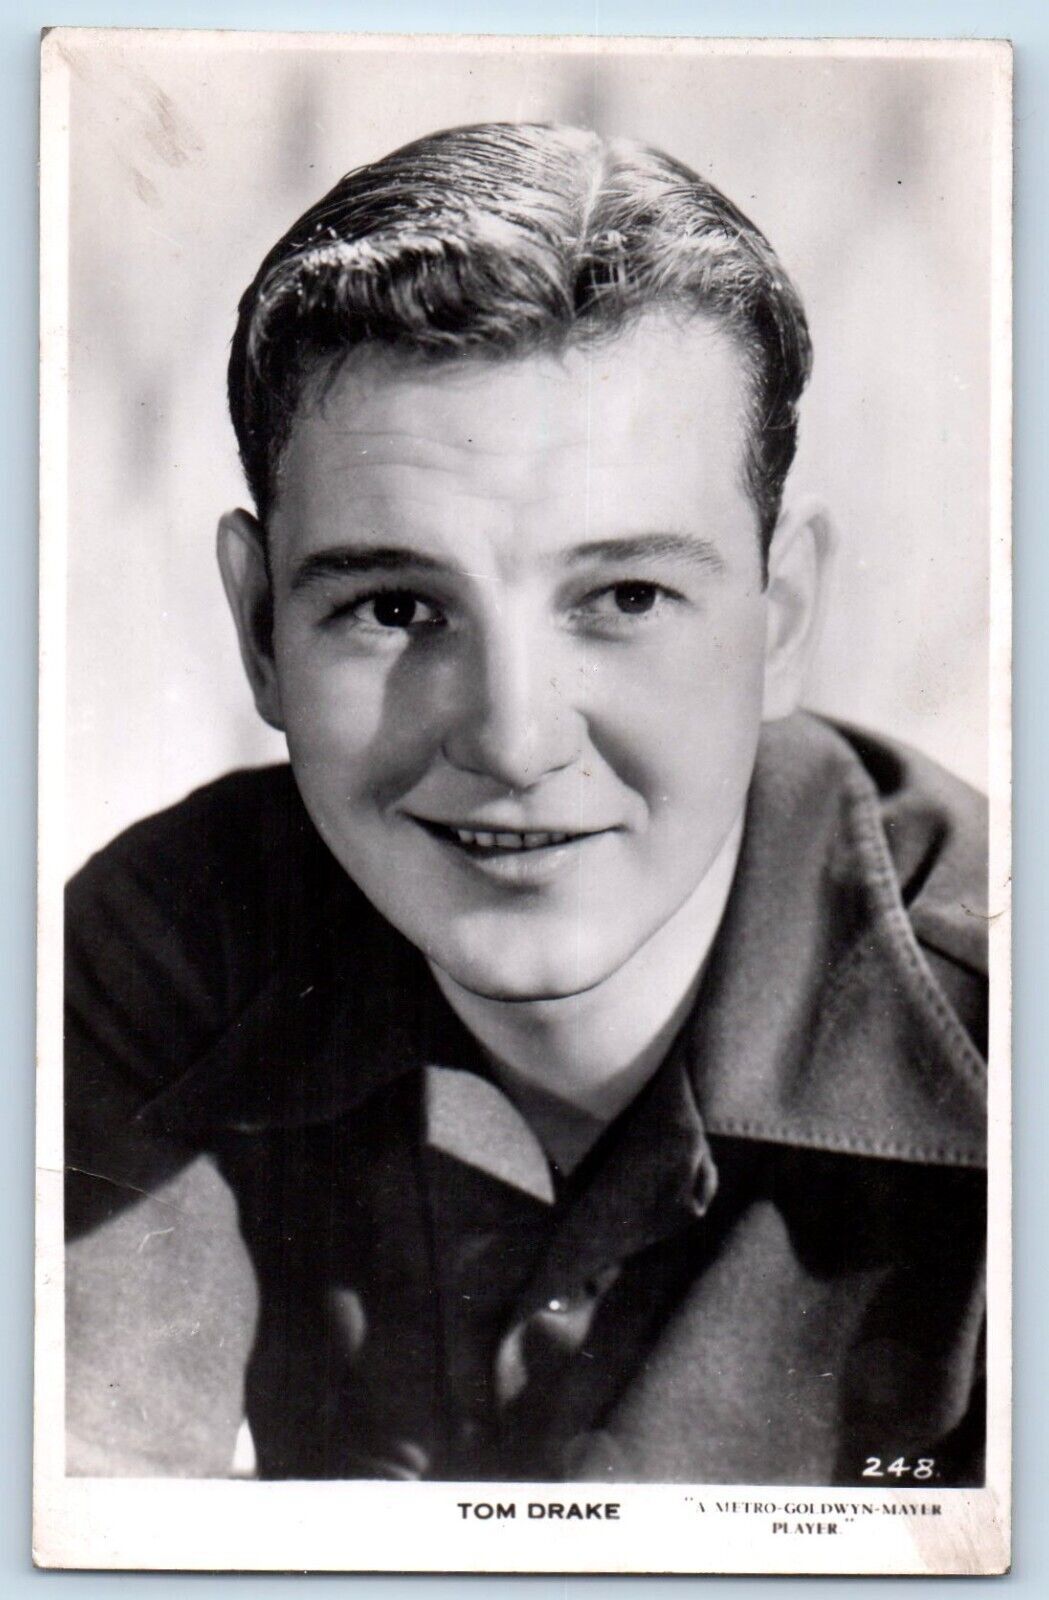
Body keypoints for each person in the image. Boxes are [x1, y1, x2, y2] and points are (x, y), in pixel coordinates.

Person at [64, 122, 987, 1485]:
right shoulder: (160, 951)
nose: (509, 736)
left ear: (775, 620)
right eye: (393, 607)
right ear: (260, 629)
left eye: (623, 599)